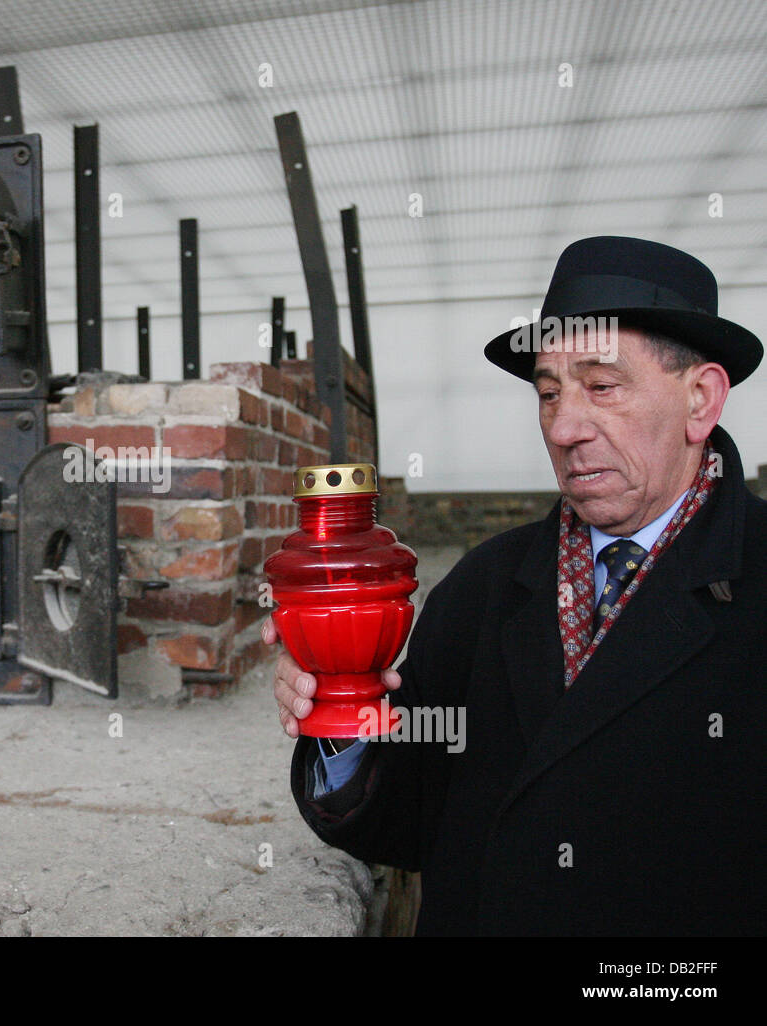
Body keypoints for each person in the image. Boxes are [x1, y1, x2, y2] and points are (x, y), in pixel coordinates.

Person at [264, 236, 767, 935]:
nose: (564, 427)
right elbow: (403, 822)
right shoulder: (484, 585)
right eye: (549, 393)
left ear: (701, 399)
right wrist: (341, 708)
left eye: (602, 386)